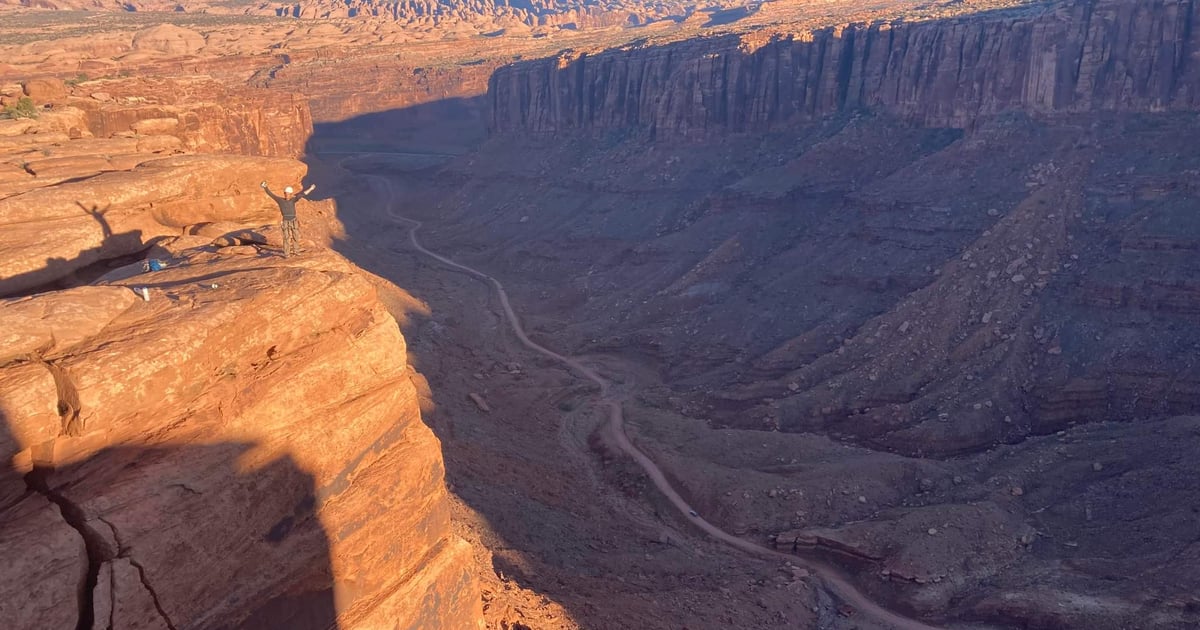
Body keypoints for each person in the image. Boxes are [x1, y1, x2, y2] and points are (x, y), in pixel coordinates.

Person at [261, 181, 316, 257]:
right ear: (284, 193)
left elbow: (303, 194)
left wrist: (311, 189)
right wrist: (265, 187)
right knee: (286, 237)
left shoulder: (293, 200)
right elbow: (271, 194)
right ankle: (287, 253)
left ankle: (296, 251)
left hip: (293, 220)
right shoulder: (280, 200)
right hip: (285, 221)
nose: (286, 195)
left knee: (295, 236)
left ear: (291, 194)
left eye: (288, 194)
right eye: (285, 193)